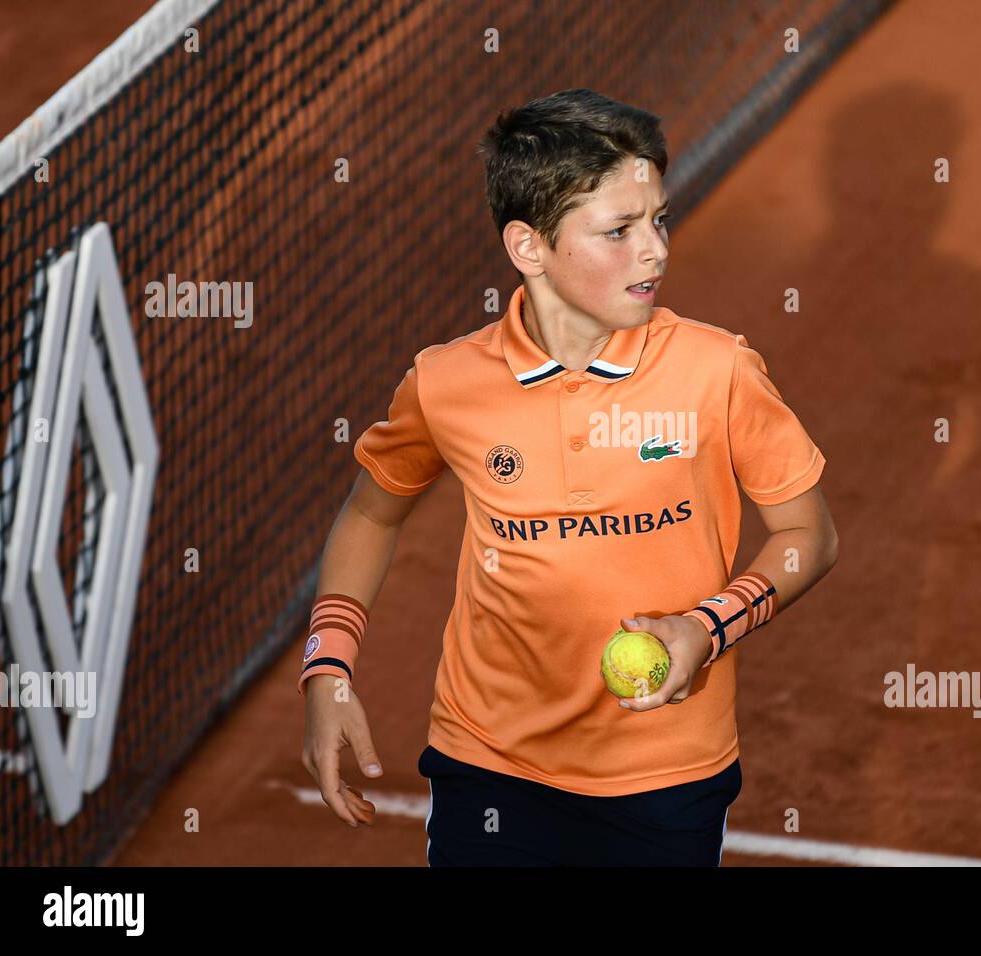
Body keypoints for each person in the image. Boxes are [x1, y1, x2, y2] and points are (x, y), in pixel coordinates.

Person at [298, 88, 839, 866]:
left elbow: (808, 534)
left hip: (666, 775)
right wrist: (328, 666)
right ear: (529, 247)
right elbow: (370, 515)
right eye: (618, 231)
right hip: (488, 763)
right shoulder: (447, 382)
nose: (653, 249)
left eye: (657, 219)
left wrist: (707, 628)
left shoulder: (715, 370)